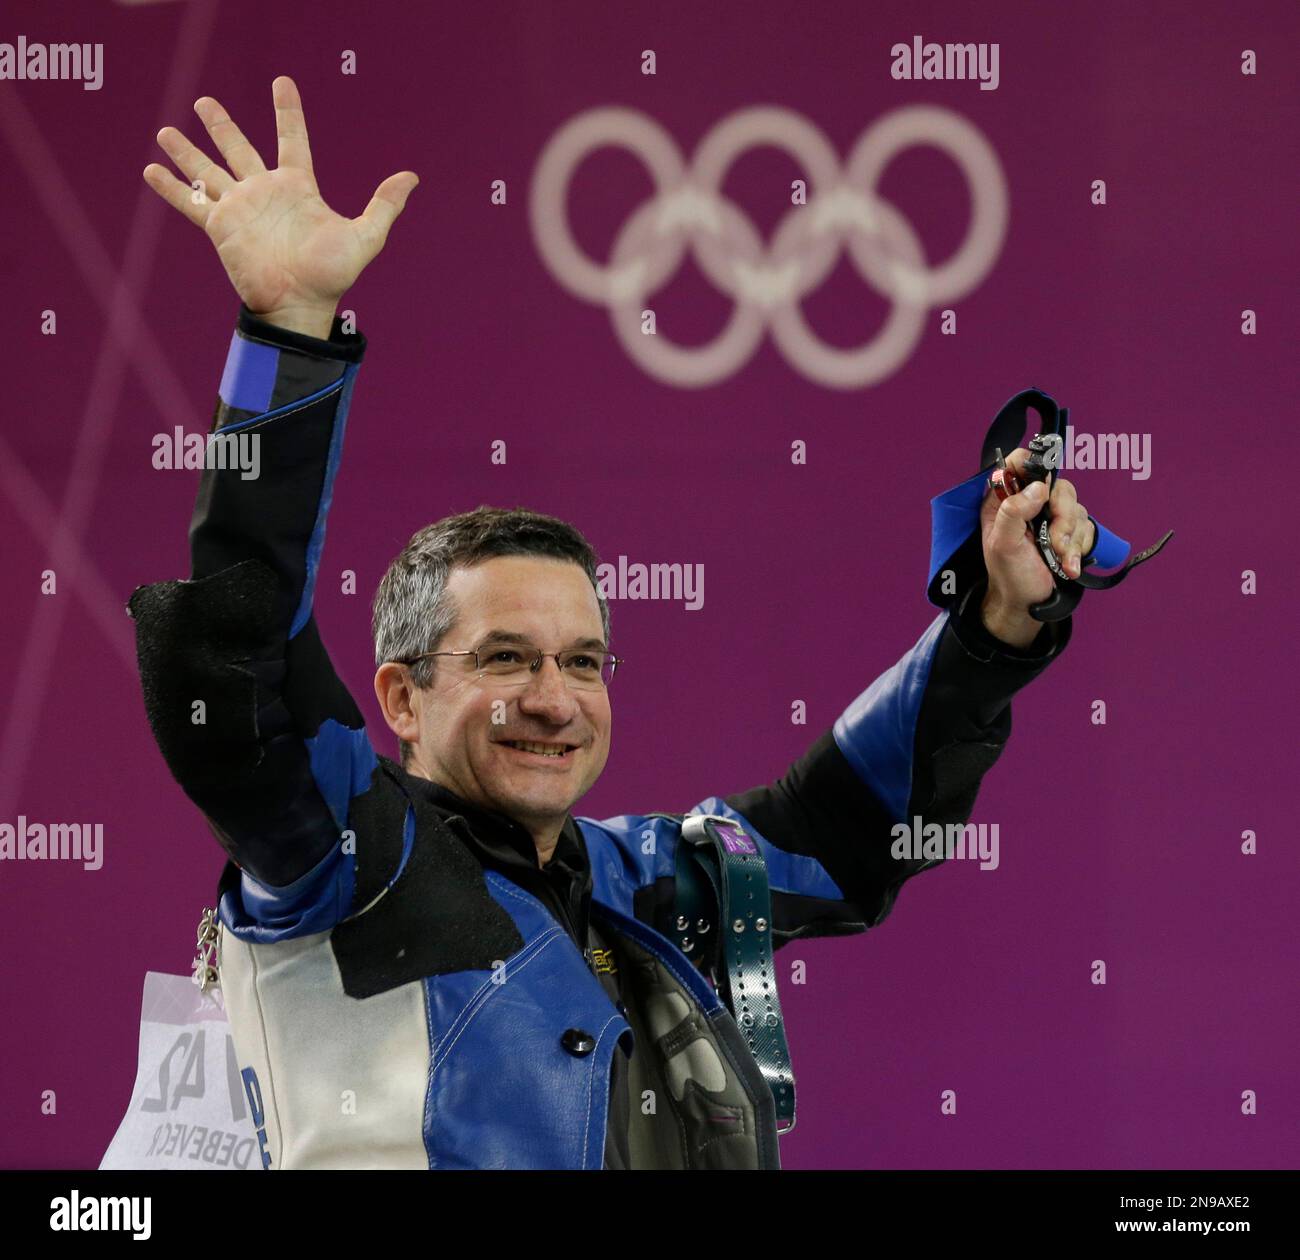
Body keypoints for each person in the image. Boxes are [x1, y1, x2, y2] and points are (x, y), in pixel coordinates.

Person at [129, 76, 1098, 1170]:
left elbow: (842, 829)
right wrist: (288, 333)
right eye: (504, 656)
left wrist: (995, 622)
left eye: (582, 661)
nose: (554, 698)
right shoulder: (345, 857)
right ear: (401, 695)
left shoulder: (635, 879)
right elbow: (234, 660)